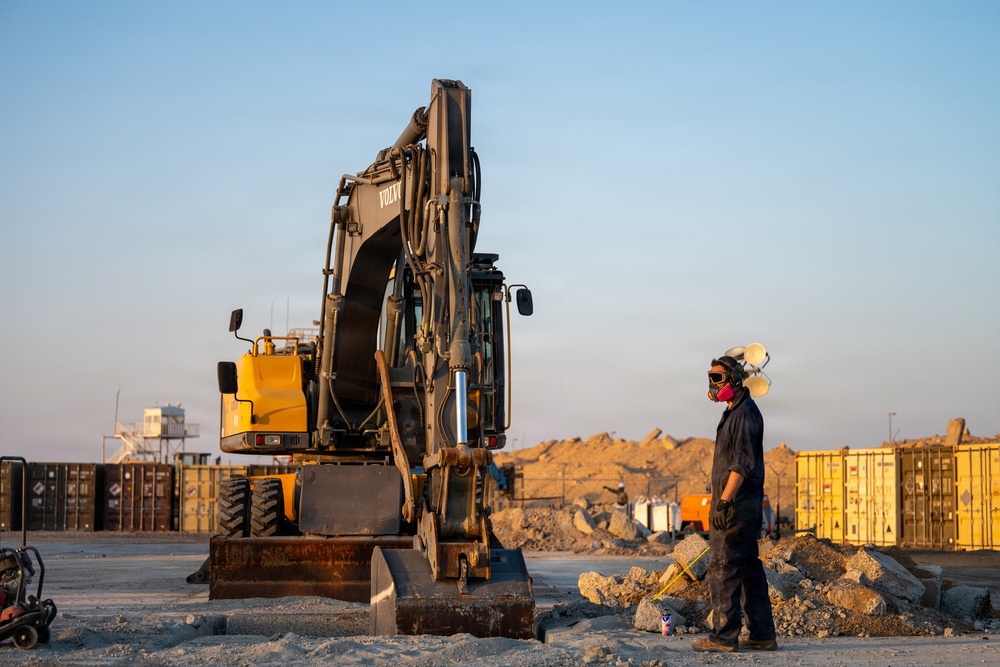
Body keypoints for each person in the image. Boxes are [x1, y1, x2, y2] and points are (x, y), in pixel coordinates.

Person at [692, 355, 778, 653]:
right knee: (749, 569)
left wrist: (724, 502)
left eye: (717, 380)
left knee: (724, 566)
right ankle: (762, 635)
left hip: (738, 504)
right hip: (744, 503)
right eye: (710, 379)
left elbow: (741, 464)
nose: (712, 386)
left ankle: (723, 637)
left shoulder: (743, 415)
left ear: (735, 381)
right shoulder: (735, 411)